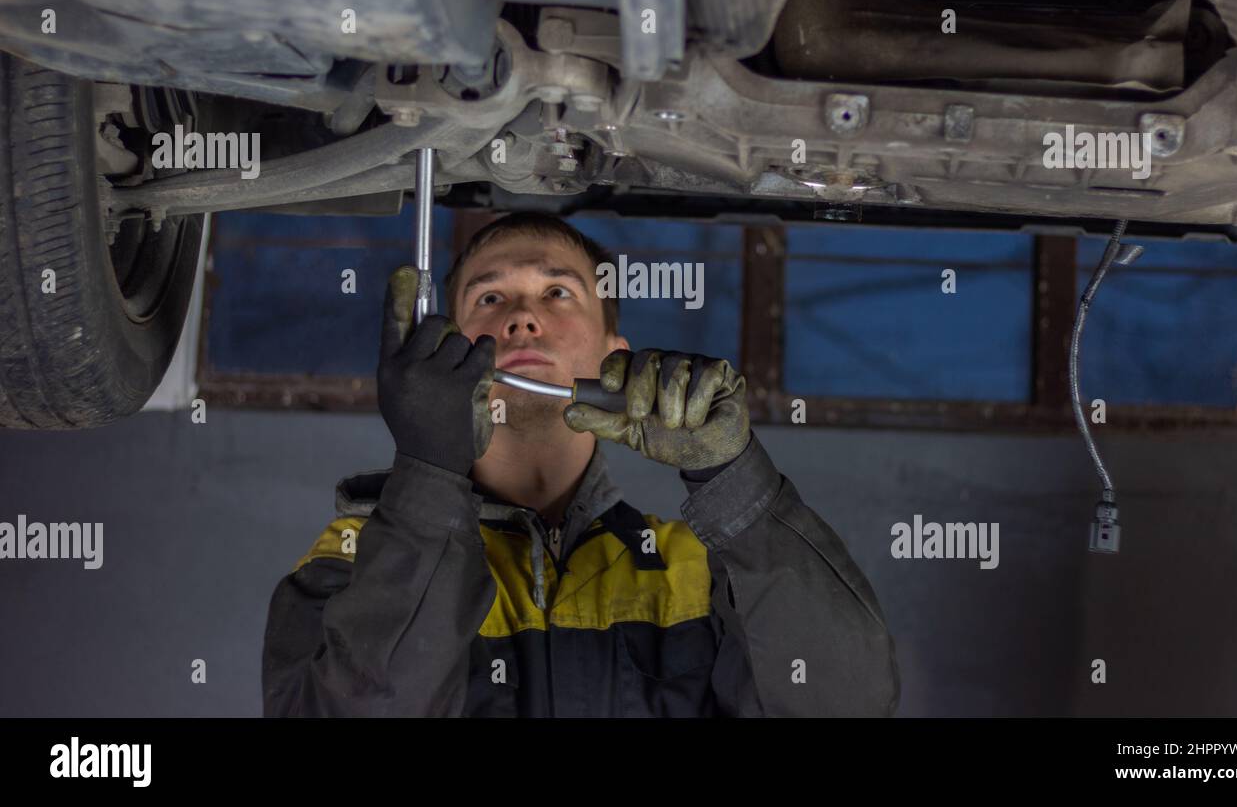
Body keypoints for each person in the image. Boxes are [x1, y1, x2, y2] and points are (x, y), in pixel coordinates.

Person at [262, 212, 899, 717]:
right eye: (489, 299)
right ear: (444, 356)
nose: (522, 318)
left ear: (613, 356)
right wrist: (427, 469)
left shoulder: (688, 565)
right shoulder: (351, 553)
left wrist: (735, 482)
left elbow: (843, 701)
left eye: (558, 292)